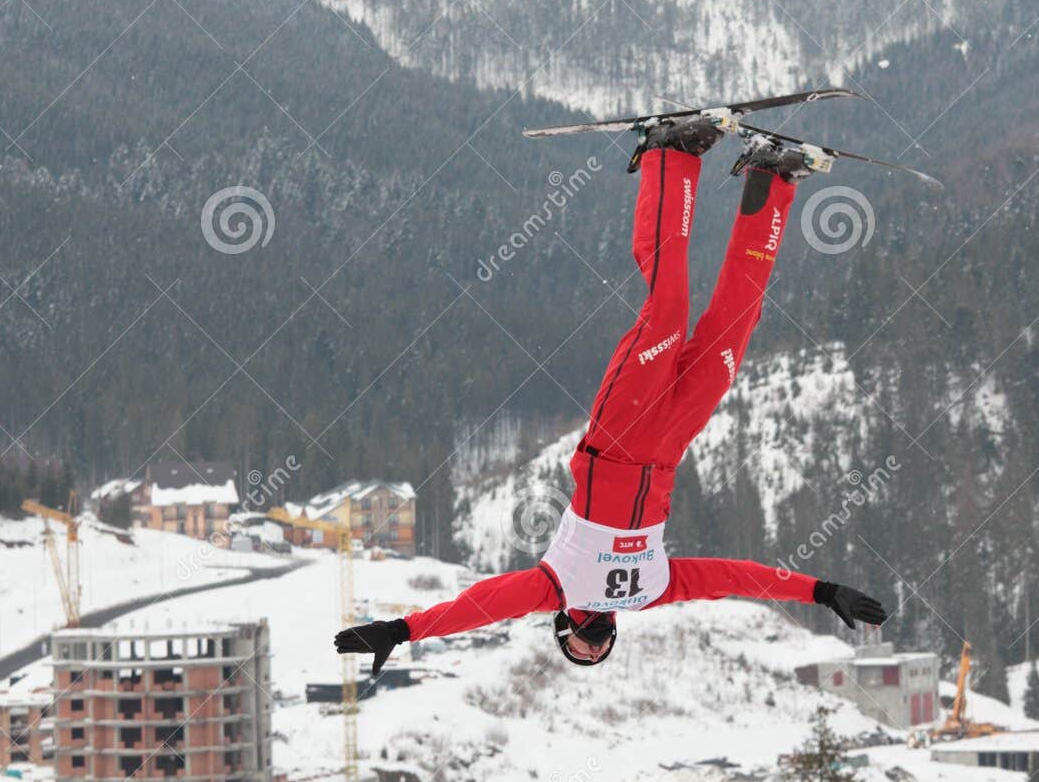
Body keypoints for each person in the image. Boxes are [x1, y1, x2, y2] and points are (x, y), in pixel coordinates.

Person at [335, 118, 888, 674]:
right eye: (598, 652)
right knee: (733, 331)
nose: (592, 645)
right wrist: (820, 591)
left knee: (666, 311)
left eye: (578, 647)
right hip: (671, 445)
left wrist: (404, 629)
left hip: (618, 437)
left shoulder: (554, 586)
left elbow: (480, 605)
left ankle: (669, 154)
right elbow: (730, 578)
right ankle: (770, 178)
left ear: (563, 627)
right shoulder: (648, 590)